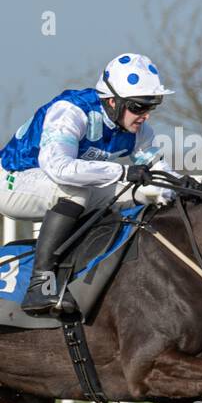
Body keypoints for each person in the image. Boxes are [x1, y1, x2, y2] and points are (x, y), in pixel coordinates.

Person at [0, 53, 175, 314]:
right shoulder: (71, 111)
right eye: (138, 107)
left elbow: (158, 172)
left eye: (151, 107)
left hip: (54, 187)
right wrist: (123, 172)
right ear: (113, 101)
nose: (145, 116)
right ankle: (40, 285)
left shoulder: (138, 131)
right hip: (11, 183)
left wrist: (181, 187)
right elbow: (59, 168)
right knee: (76, 191)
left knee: (140, 193)